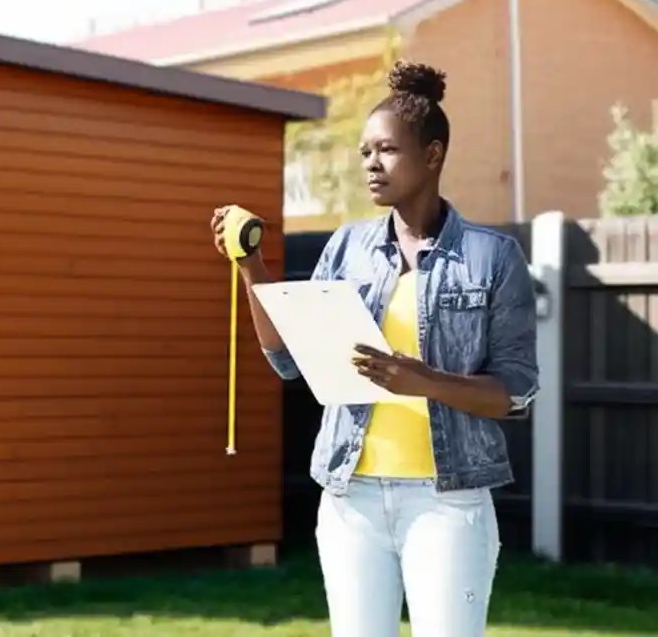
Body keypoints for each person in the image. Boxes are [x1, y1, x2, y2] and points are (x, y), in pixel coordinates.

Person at [210, 61, 538, 637]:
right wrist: (251, 264)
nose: (371, 164)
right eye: (365, 152)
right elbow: (287, 357)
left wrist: (425, 382)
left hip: (448, 503)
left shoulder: (493, 257)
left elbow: (515, 393)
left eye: (386, 150)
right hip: (350, 500)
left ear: (432, 155)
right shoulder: (348, 247)